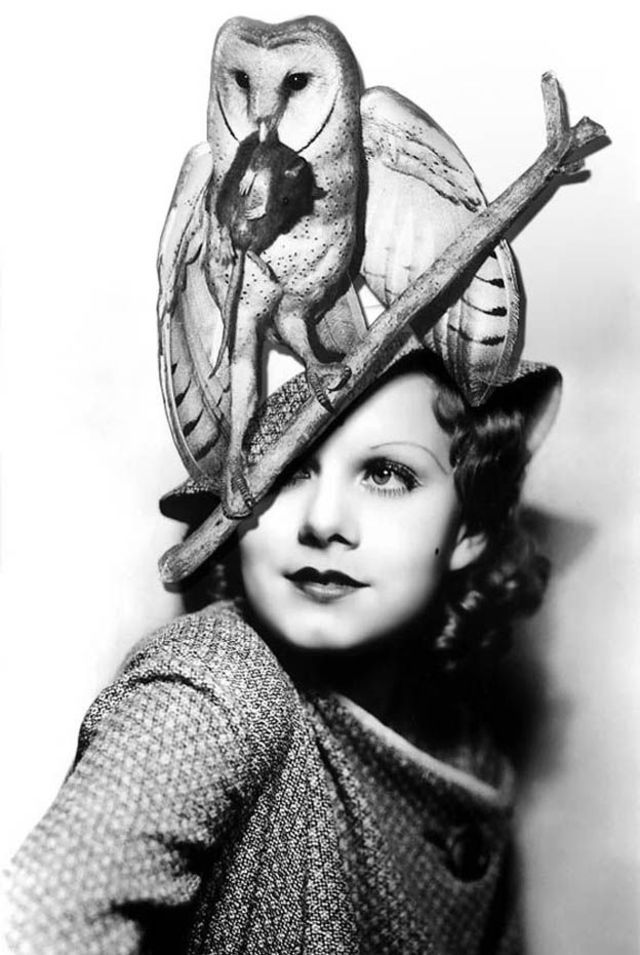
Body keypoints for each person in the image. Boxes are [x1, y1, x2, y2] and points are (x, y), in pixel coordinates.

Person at [6, 345, 561, 954]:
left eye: (385, 474)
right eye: (286, 468)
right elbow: (40, 924)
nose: (323, 522)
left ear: (471, 527)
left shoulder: (472, 756)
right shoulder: (216, 684)